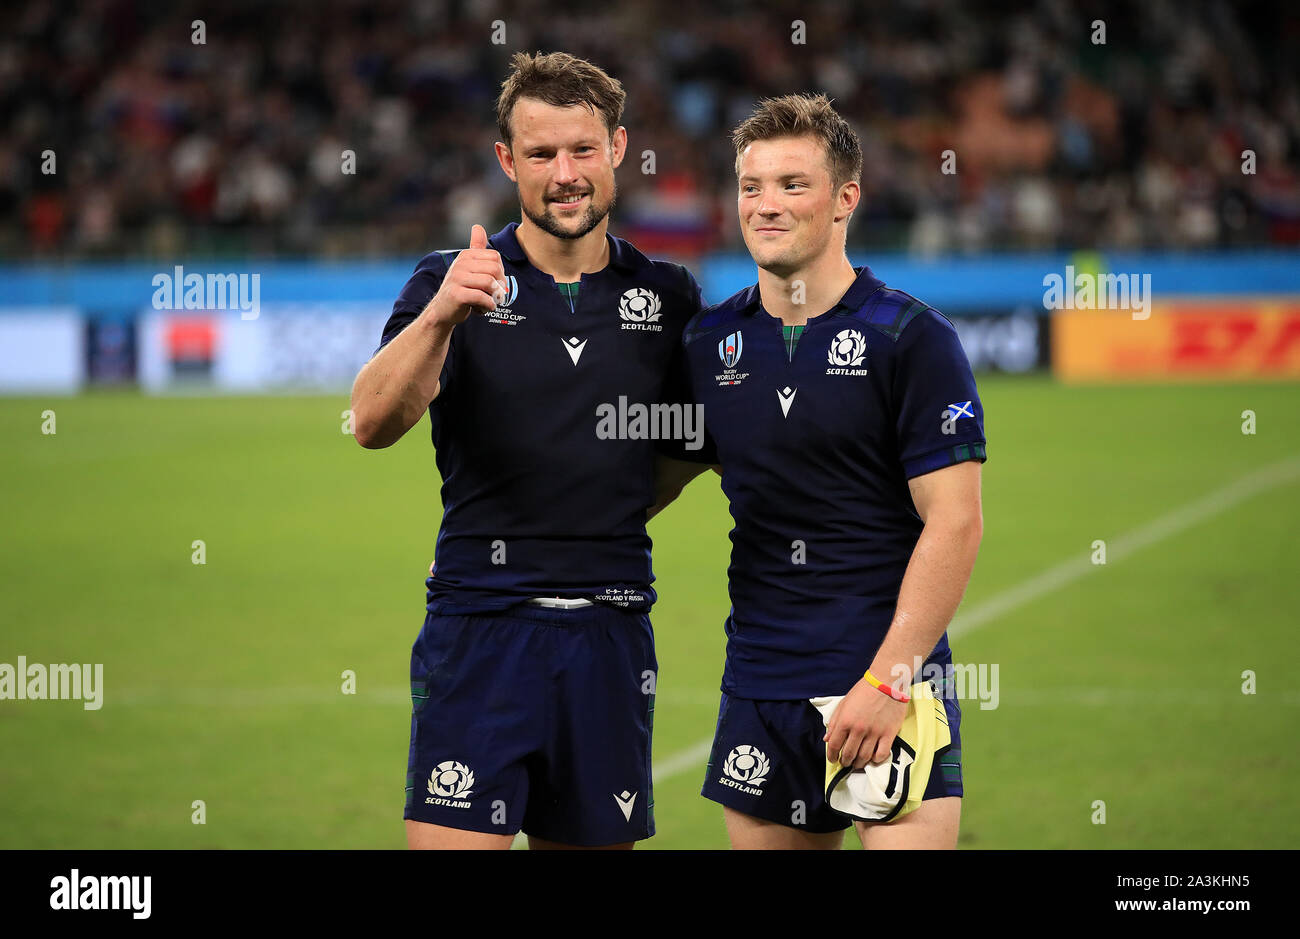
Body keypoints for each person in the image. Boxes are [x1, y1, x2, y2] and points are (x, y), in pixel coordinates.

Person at [350, 51, 707, 850]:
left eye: (583, 149)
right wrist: (443, 315)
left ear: (617, 147)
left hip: (611, 636)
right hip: (481, 629)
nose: (565, 173)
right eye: (542, 154)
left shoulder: (668, 296)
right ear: (508, 161)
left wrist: (611, 497)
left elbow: (692, 445)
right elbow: (371, 421)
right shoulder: (452, 280)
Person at [679, 94, 986, 849]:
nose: (765, 205)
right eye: (751, 186)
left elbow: (956, 521)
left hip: (888, 682)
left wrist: (889, 680)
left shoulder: (911, 337)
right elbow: (642, 485)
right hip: (760, 684)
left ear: (846, 197)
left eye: (792, 184)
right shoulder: (708, 343)